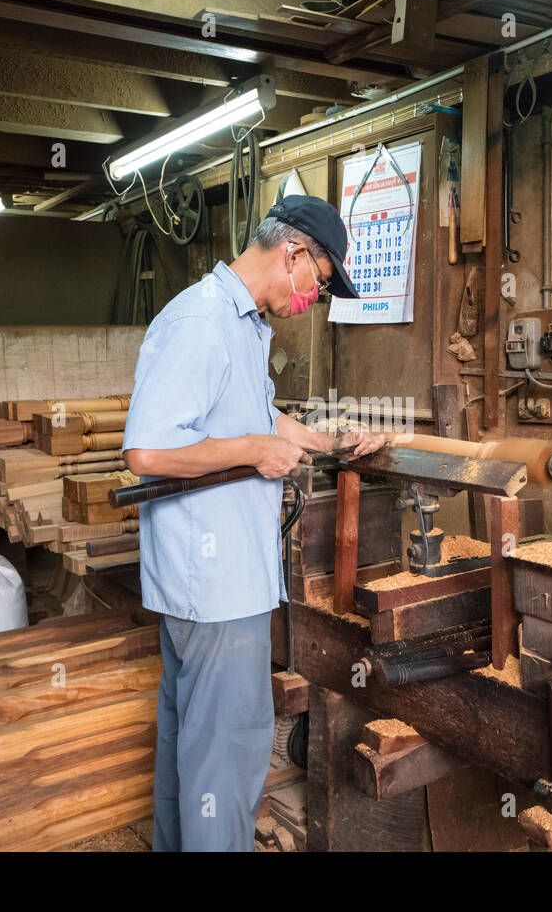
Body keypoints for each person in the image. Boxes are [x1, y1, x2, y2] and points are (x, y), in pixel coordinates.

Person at [121, 195, 385, 851]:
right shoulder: (200, 322)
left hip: (219, 584)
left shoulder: (242, 326)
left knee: (192, 759)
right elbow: (146, 451)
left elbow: (258, 418)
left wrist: (329, 441)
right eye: (319, 281)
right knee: (227, 769)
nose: (314, 298)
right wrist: (251, 452)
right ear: (293, 252)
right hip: (213, 592)